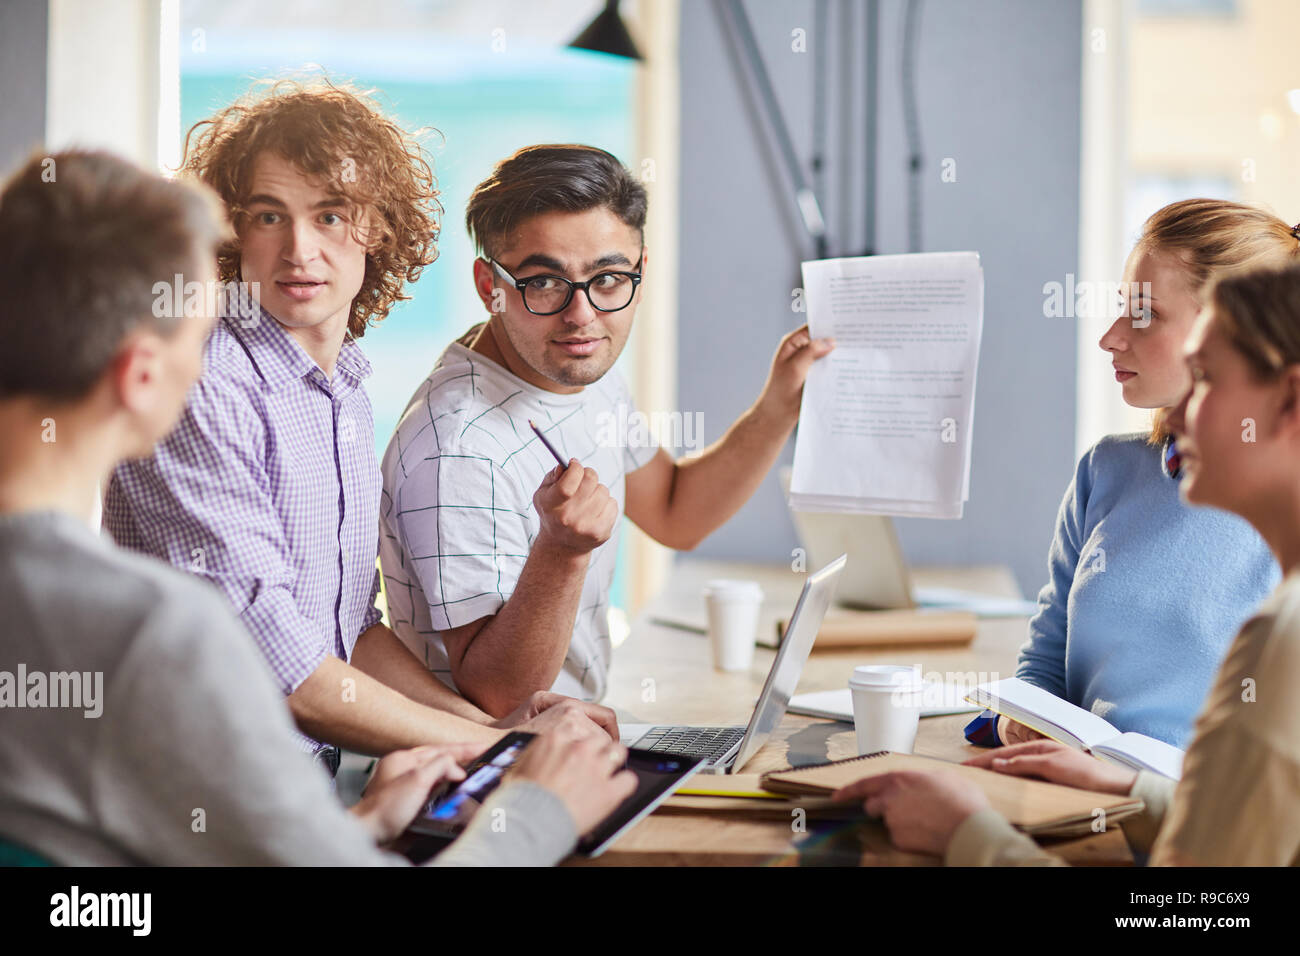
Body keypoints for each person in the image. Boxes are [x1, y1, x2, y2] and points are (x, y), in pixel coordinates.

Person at [0, 149, 635, 866]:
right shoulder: (154, 627)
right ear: (143, 376)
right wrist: (538, 806)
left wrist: (355, 830)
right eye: (203, 330)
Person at [103, 81, 616, 770]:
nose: (300, 251)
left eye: (331, 216)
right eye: (267, 216)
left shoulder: (341, 384)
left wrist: (501, 737)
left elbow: (345, 634)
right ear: (231, 228)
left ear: (378, 226)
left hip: (296, 772)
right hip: (189, 789)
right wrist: (493, 749)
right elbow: (278, 668)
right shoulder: (201, 384)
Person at [837, 261, 1300, 866]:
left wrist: (964, 835)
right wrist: (1137, 791)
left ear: (1289, 400)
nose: (1178, 416)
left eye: (1205, 378)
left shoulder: (1281, 640)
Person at [378, 144, 835, 716]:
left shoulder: (577, 370)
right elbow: (499, 699)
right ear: (487, 285)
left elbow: (676, 513)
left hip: (580, 734)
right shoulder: (458, 449)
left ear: (640, 270)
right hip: (485, 778)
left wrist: (777, 409)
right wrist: (563, 552)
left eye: (608, 277)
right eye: (544, 282)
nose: (582, 316)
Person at [967, 200, 1299, 750]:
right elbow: (1047, 658)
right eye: (1122, 309)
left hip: (1184, 827)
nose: (1111, 337)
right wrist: (1017, 721)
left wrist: (1126, 794)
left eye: (1144, 315)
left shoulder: (1281, 515)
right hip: (1074, 803)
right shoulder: (1107, 470)